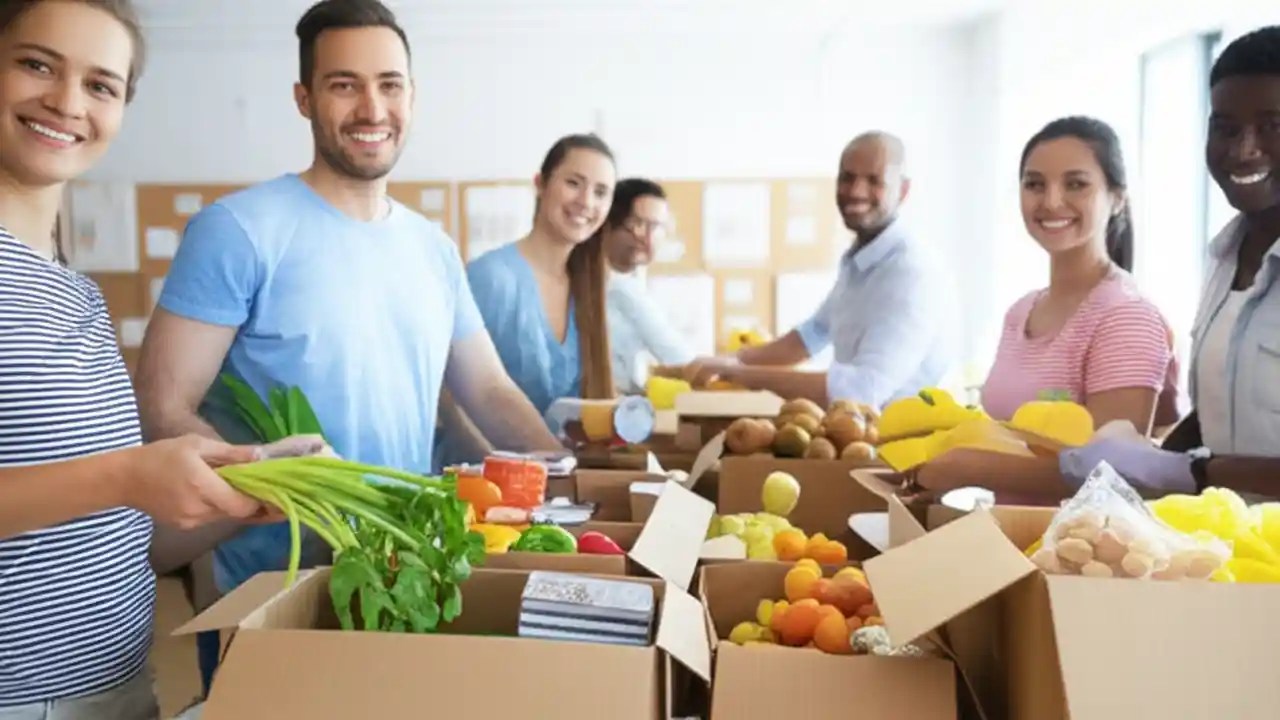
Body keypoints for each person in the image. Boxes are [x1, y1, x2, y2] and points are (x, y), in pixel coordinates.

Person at [133, 0, 562, 691]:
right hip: (271, 596)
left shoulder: (434, 248)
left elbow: (488, 389)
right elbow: (162, 402)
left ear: (412, 97)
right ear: (304, 99)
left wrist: (562, 469)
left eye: (389, 84)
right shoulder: (238, 230)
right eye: (344, 84)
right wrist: (268, 484)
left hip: (401, 581)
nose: (371, 107)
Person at [0, 2, 306, 717]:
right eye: (36, 64)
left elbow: (113, 526)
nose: (67, 102)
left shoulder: (72, 290)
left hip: (114, 687)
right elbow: (114, 481)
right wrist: (128, 471)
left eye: (101, 85)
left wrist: (247, 489)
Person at [903, 26, 1280, 504]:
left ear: (1116, 197)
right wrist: (1163, 461)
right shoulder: (1223, 264)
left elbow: (1154, 472)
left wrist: (1183, 471)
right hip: (1229, 549)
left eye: (1273, 125)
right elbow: (1215, 422)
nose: (1244, 148)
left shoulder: (1126, 313)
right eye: (1225, 127)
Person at [683, 131, 954, 409]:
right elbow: (812, 333)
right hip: (855, 435)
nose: (856, 191)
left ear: (903, 191)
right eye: (847, 177)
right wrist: (732, 360)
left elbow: (862, 389)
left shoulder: (911, 272)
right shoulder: (859, 259)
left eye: (874, 181)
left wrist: (740, 374)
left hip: (906, 445)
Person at [981, 116, 1179, 436]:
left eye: (1076, 184)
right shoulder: (1020, 312)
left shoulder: (1127, 317)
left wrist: (967, 464)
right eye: (1035, 184)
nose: (1051, 201)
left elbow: (1109, 469)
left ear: (1117, 199)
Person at [601, 178, 694, 393]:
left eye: (657, 226)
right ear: (607, 225)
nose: (647, 238)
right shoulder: (617, 288)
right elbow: (679, 356)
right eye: (638, 224)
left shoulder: (635, 278)